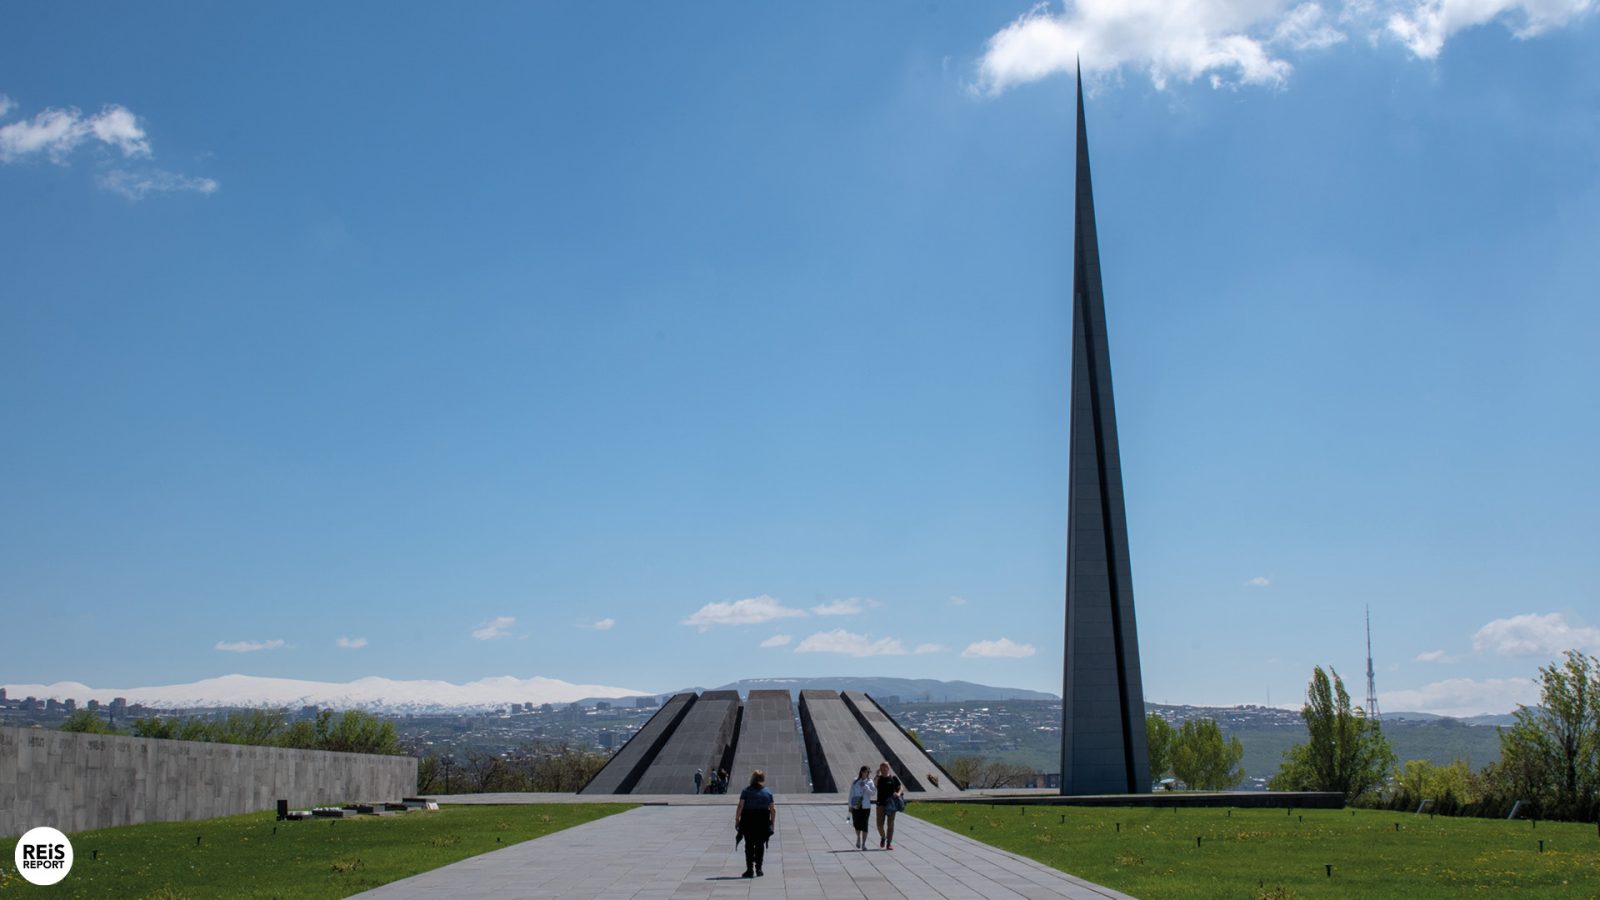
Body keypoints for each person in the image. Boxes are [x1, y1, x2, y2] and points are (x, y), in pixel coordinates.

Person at [735, 769, 776, 878]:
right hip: (762, 822)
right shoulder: (767, 792)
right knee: (760, 845)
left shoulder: (746, 791)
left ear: (752, 779)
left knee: (749, 845)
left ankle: (749, 869)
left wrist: (737, 819)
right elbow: (773, 809)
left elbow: (740, 806)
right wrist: (772, 823)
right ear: (762, 779)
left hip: (748, 821)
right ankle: (759, 869)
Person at [874, 761, 903, 850]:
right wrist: (877, 775)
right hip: (880, 804)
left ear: (888, 768)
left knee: (890, 824)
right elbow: (874, 784)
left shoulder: (893, 778)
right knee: (879, 824)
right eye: (881, 768)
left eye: (885, 767)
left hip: (891, 804)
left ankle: (889, 843)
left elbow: (901, 787)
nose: (883, 769)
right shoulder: (879, 778)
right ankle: (883, 837)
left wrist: (898, 794)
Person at [846, 765, 874, 850]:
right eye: (866, 771)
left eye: (868, 772)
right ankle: (858, 838)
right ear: (862, 772)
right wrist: (850, 805)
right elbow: (851, 793)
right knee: (856, 823)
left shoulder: (870, 781)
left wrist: (866, 788)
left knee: (864, 824)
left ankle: (864, 844)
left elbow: (873, 793)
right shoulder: (855, 781)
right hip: (856, 805)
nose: (867, 773)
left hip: (866, 806)